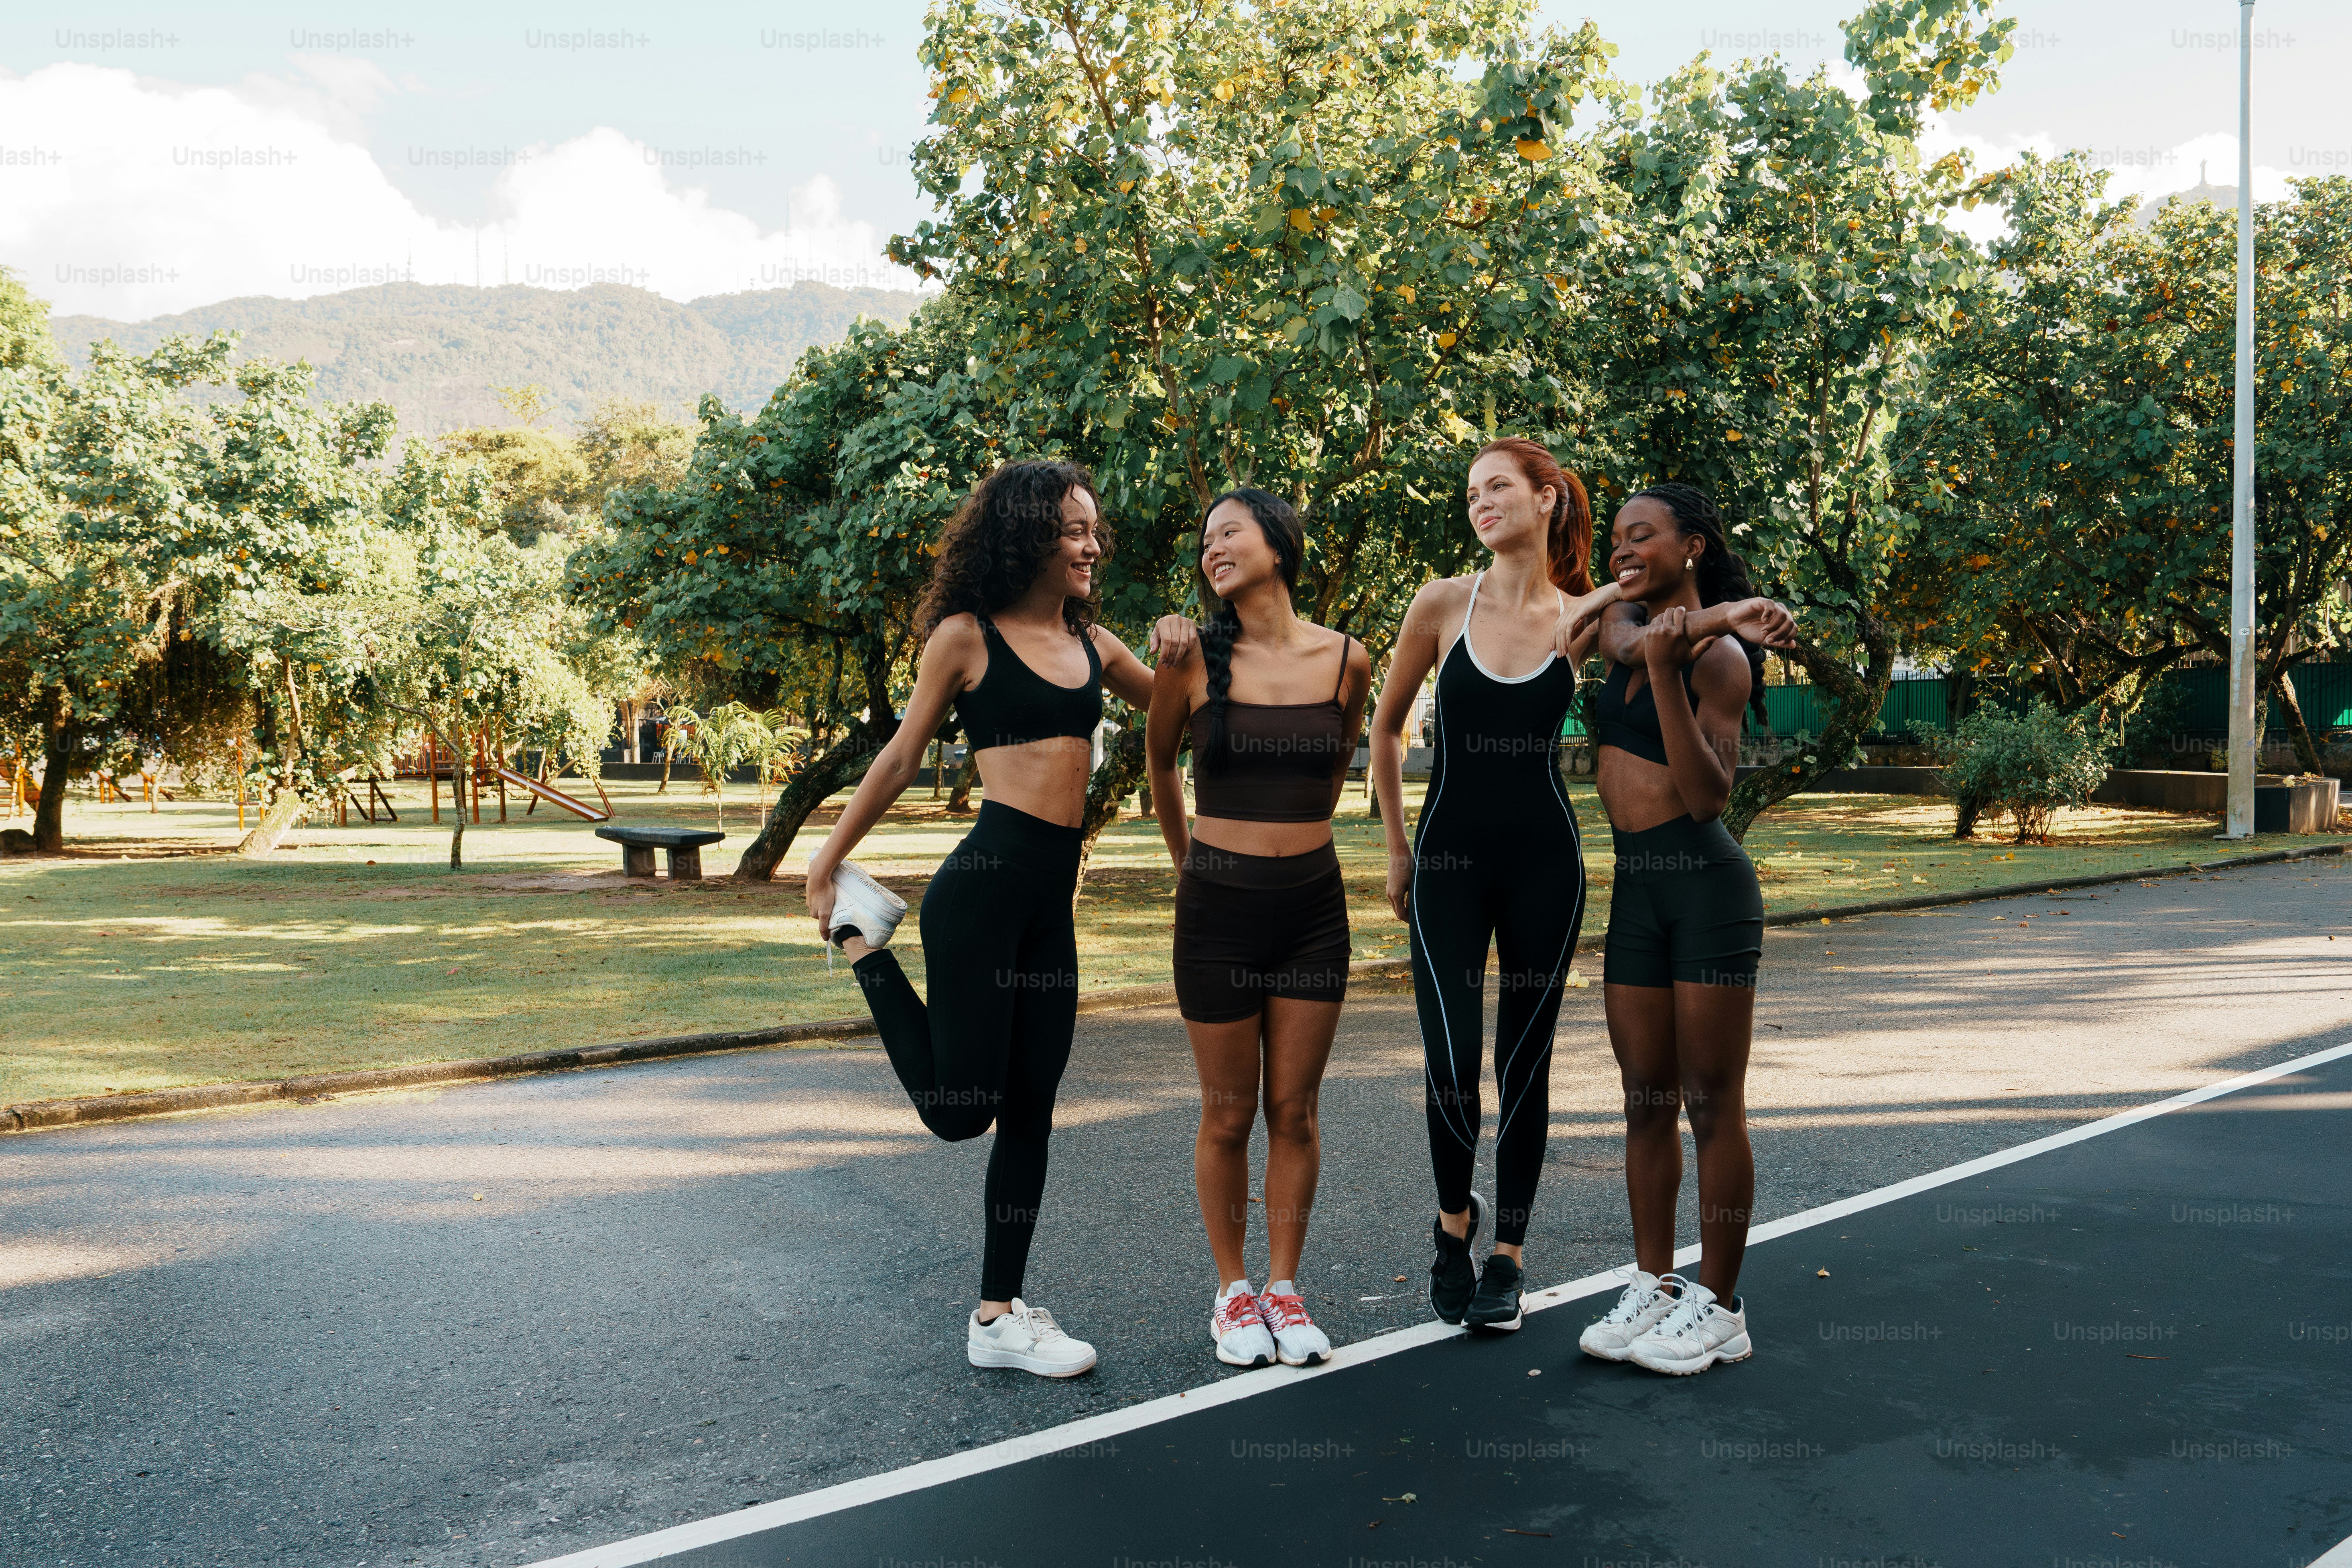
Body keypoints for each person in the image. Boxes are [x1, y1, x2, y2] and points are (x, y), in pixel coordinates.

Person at [806, 459, 1168, 1379]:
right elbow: (895, 758)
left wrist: (1192, 647)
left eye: (1096, 530)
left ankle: (998, 1314)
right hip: (980, 895)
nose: (1093, 546)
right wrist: (825, 856)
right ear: (1026, 536)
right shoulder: (965, 639)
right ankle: (863, 946)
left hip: (1053, 904)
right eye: (1075, 530)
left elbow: (1180, 706)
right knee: (961, 1113)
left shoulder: (1094, 642)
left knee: (1035, 1112)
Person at [1369, 438, 1623, 1333]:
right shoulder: (1441, 602)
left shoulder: (1580, 617)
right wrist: (1399, 849)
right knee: (1450, 1062)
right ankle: (1453, 1226)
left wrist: (1604, 594)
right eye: (1471, 492)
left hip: (1548, 863)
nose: (1479, 503)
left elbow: (1668, 597)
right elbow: (1388, 730)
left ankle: (1508, 1254)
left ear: (1546, 497)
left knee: (1525, 1062)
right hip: (1446, 861)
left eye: (1498, 487)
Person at [1572, 481, 1795, 1377]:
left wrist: (1678, 661)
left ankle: (1721, 1306)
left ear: (1692, 545)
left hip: (1705, 887)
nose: (1622, 549)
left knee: (1711, 1104)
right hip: (1636, 890)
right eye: (1617, 538)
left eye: (1643, 536)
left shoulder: (1723, 664)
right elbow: (1613, 633)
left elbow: (1710, 798)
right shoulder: (1625, 626)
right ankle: (1655, 1283)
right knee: (1644, 1099)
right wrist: (1686, 628)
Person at [1146, 488, 1371, 1369]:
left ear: (1280, 543)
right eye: (1205, 541)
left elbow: (1338, 759)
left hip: (1315, 910)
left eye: (1228, 531)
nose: (1212, 548)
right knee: (1229, 1112)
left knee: (1297, 1110)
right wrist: (1187, 863)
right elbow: (1159, 759)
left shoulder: (1348, 658)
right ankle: (1232, 1292)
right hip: (1218, 912)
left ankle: (1284, 1285)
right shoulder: (1191, 657)